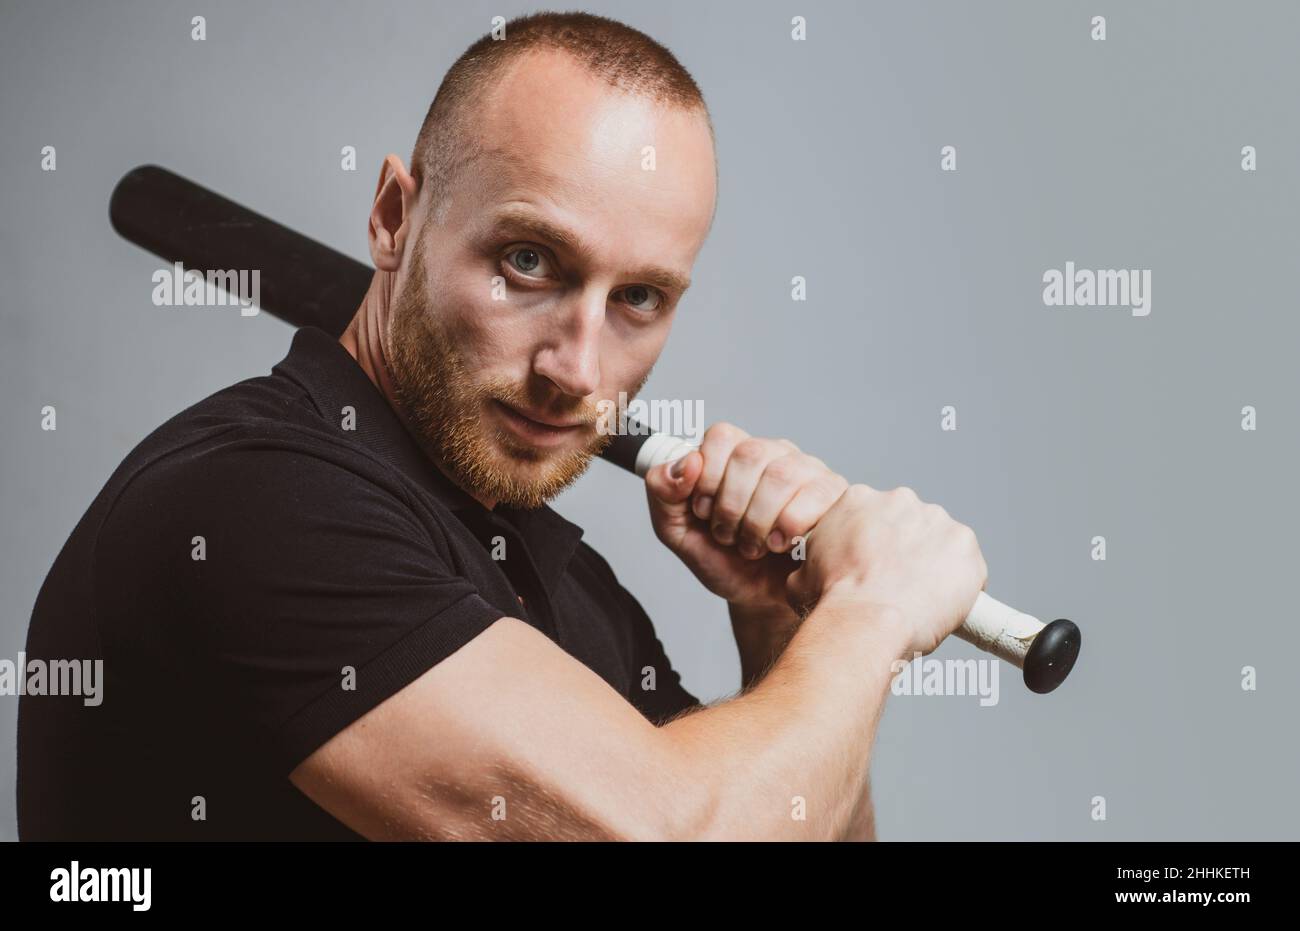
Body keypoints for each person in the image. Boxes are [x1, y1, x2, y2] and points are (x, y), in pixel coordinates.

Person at [18, 10, 986, 841]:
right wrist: (869, 612)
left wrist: (785, 622)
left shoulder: (558, 587)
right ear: (396, 214)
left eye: (639, 297)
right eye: (529, 260)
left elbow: (769, 820)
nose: (576, 367)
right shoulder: (258, 500)